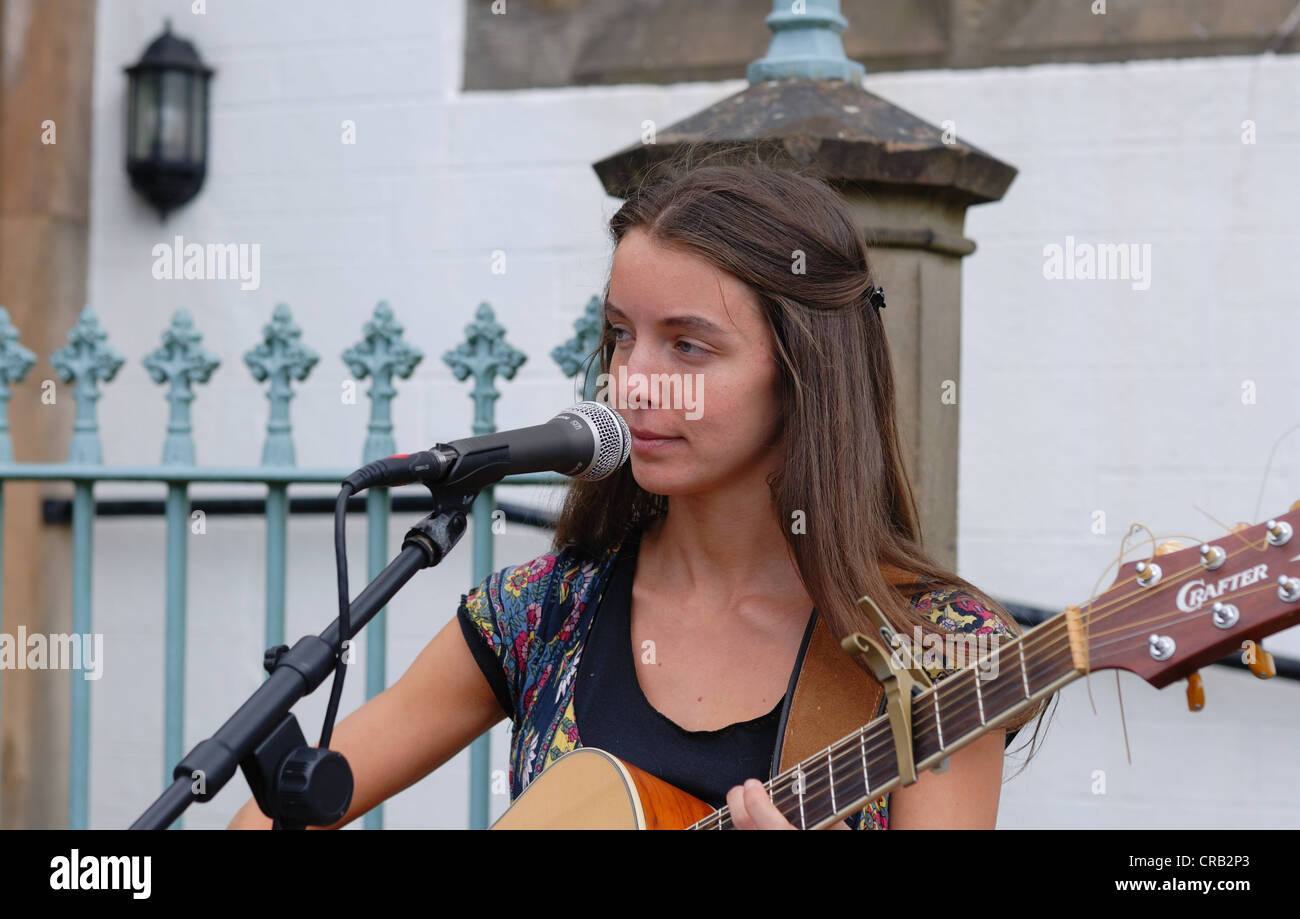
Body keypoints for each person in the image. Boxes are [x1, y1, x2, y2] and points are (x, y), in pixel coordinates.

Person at [228, 150, 1051, 831]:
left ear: (807, 371)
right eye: (622, 335)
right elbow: (269, 816)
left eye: (688, 345)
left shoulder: (935, 646)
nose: (632, 380)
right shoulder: (545, 612)